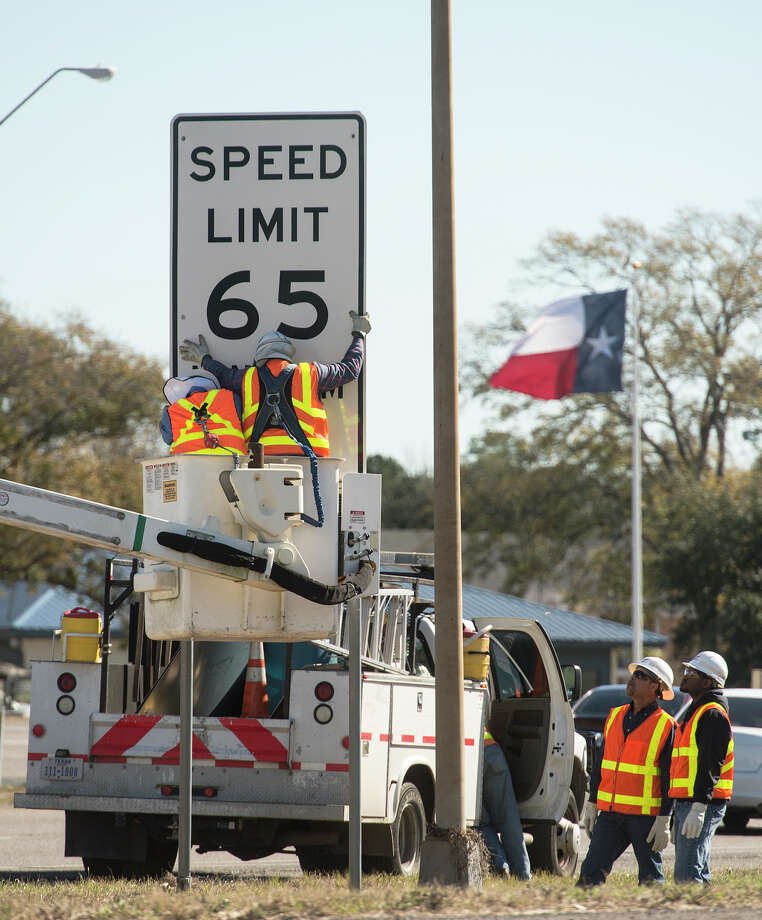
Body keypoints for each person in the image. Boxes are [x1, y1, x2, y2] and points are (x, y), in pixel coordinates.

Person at [178, 310, 370, 458]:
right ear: (288, 354)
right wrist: (359, 335)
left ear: (260, 357)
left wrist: (204, 358)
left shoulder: (247, 378)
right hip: (309, 463)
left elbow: (223, 375)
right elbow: (349, 369)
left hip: (262, 464)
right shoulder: (310, 373)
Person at [577, 657, 676, 887]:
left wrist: (665, 818)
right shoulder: (614, 716)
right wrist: (592, 802)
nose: (633, 679)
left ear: (655, 687)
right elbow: (603, 763)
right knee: (589, 875)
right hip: (611, 815)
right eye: (634, 674)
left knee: (650, 879)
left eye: (641, 676)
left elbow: (669, 777)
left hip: (645, 818)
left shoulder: (666, 726)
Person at [669, 651, 733, 885]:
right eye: (685, 671)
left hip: (702, 802)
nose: (684, 676)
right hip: (689, 800)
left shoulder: (712, 714)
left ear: (708, 682)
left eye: (692, 673)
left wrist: (698, 806)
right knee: (693, 868)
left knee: (687, 874)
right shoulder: (696, 710)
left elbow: (711, 764)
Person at [480, 727, 532, 880]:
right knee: (508, 817)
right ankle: (523, 873)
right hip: (493, 752)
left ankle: (501, 866)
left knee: (479, 820)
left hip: (470, 756)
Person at [160, 374, 246, 456]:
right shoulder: (230, 397)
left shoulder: (172, 411)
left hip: (189, 467)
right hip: (233, 462)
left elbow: (167, 439)